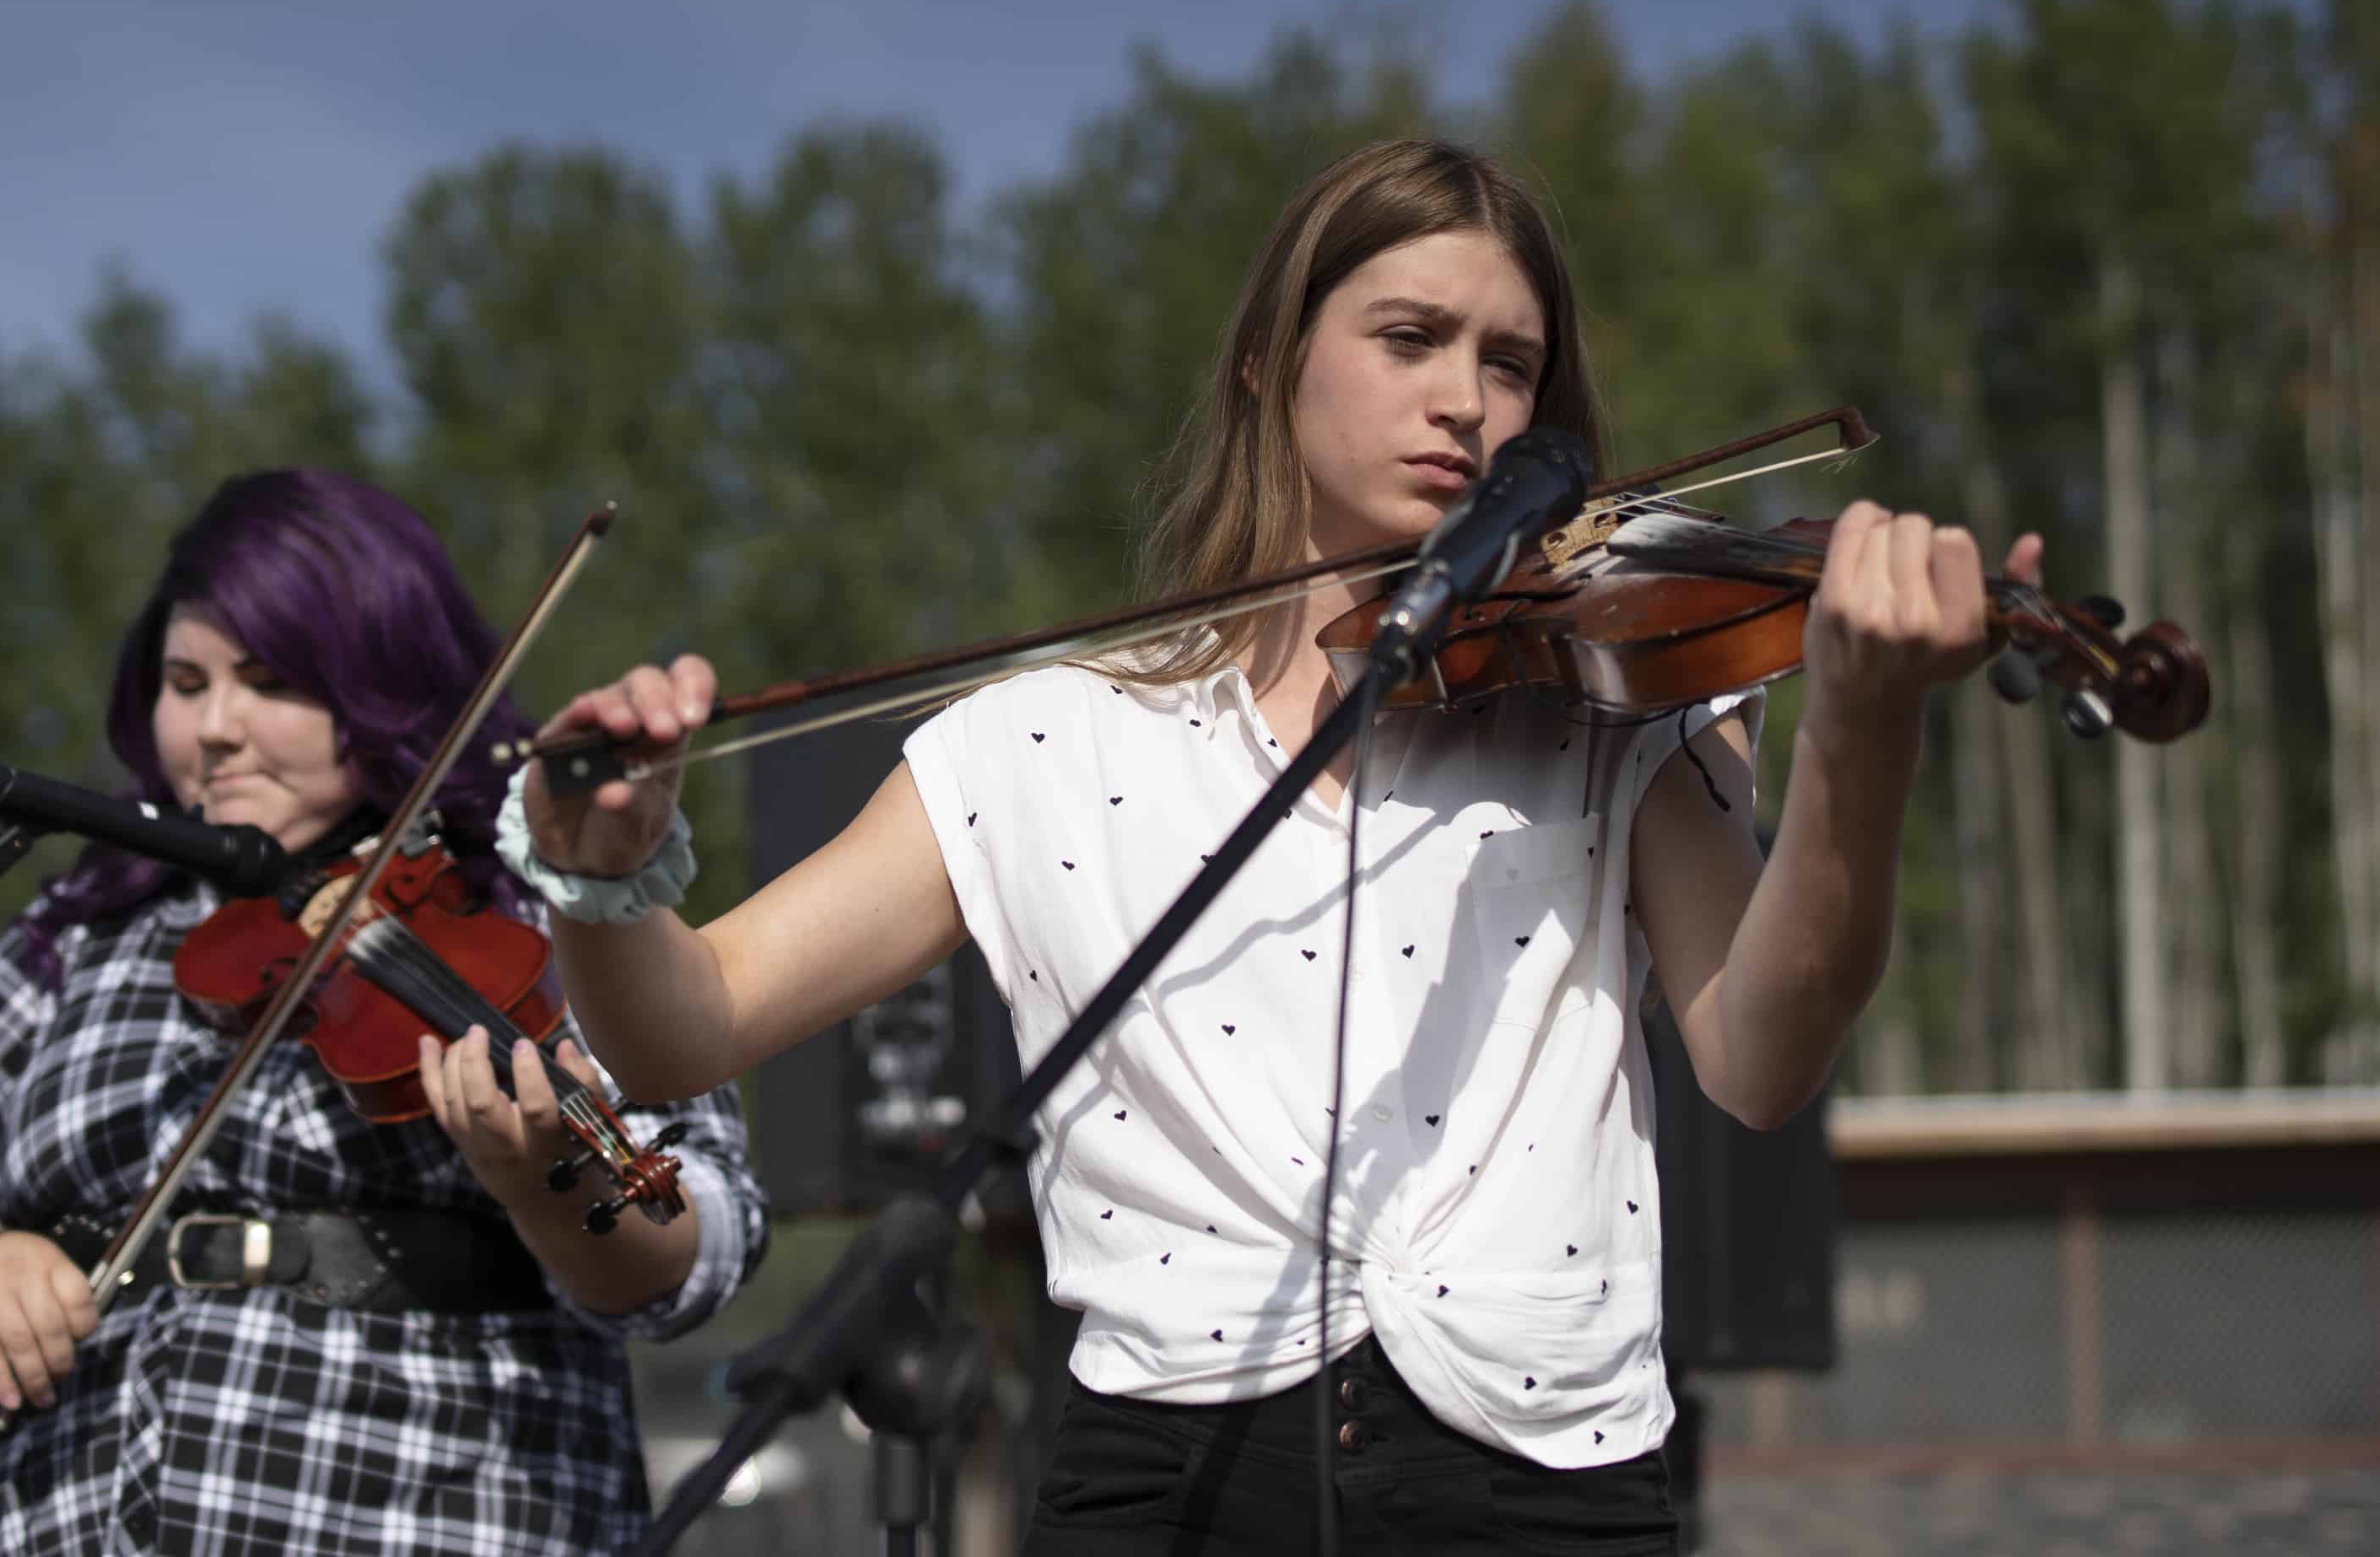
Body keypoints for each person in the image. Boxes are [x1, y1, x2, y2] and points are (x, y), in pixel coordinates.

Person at [513, 138, 2042, 1553]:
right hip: (1165, 1484)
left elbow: (1762, 1058)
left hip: (1546, 1484)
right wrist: (601, 874)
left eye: (1510, 364)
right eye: (1409, 338)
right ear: (1269, 362)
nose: (1466, 401)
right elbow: (684, 1026)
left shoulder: (1615, 699)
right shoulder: (1042, 743)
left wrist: (1863, 735)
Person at [0, 469, 767, 1554]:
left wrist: (551, 1182)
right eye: (184, 682)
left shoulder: (536, 911)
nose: (214, 727)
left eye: (268, 682)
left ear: (383, 683)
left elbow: (697, 1234)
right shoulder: (92, 931)